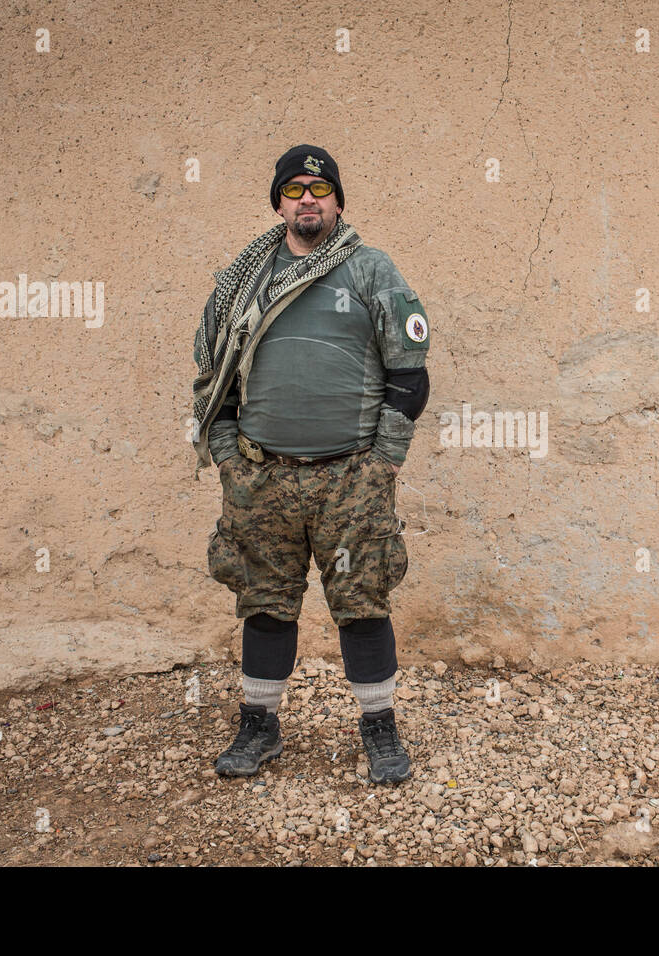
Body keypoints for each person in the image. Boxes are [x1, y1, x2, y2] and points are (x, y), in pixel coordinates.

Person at [190, 145, 431, 784]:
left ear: (338, 203)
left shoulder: (371, 271)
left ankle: (379, 729)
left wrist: (382, 464)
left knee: (362, 600)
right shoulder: (244, 281)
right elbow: (212, 380)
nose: (307, 199)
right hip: (260, 476)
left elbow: (410, 379)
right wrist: (227, 463)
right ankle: (259, 726)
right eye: (294, 189)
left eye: (319, 191)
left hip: (351, 476)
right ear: (278, 202)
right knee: (265, 603)